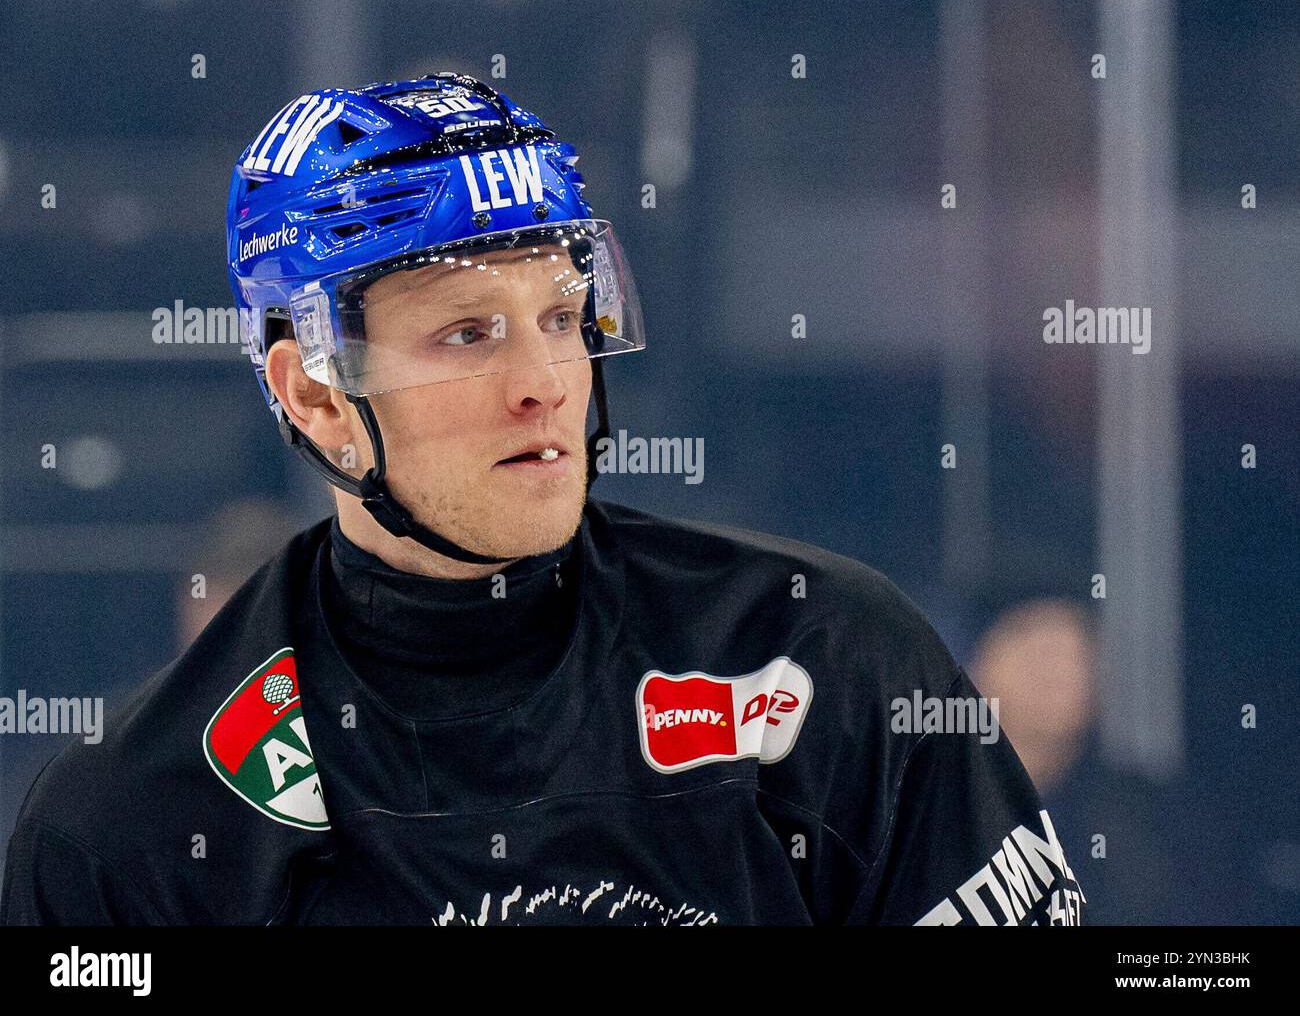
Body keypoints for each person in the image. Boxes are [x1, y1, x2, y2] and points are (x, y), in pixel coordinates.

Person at [1, 73, 1084, 925]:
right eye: (467, 333)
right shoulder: (134, 824)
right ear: (317, 397)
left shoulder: (826, 661)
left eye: (562, 316)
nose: (546, 382)